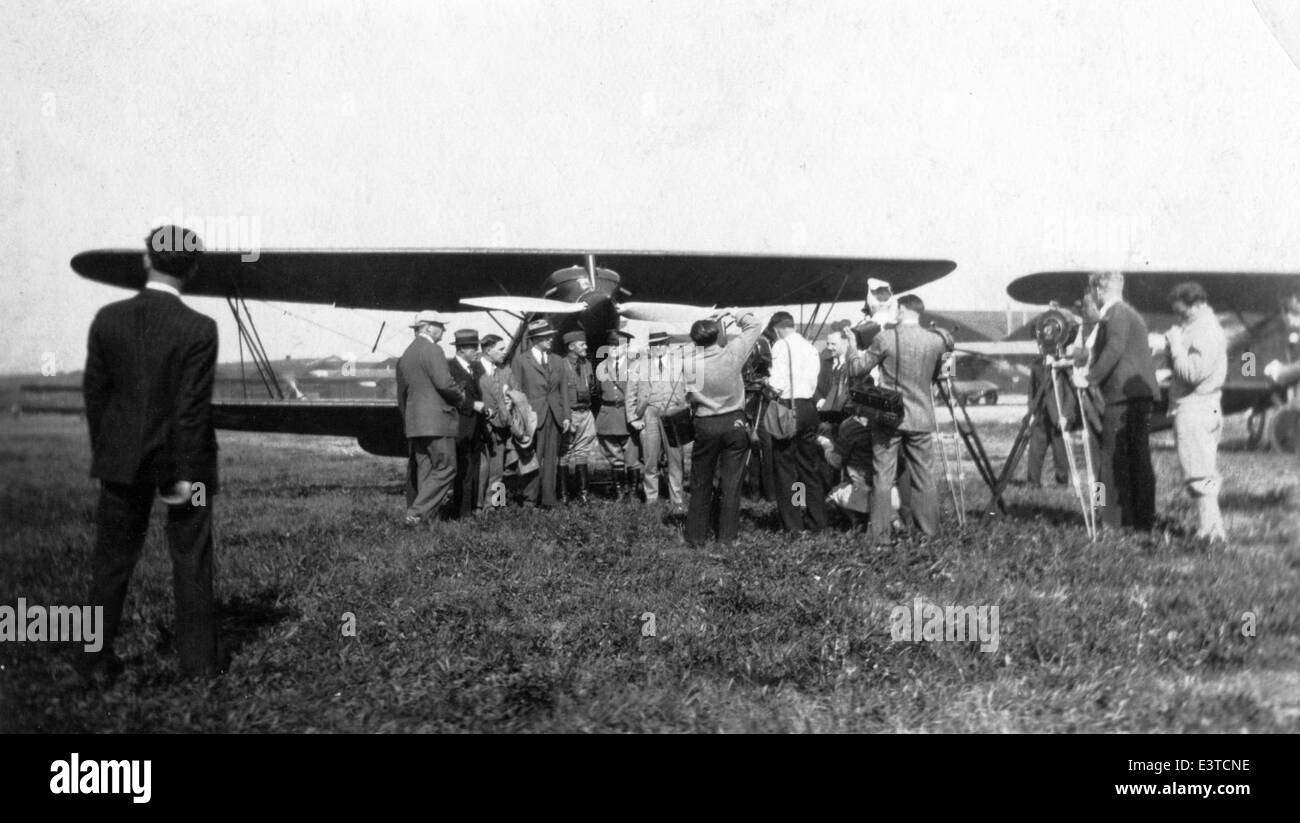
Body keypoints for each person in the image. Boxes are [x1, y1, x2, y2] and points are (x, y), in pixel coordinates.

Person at [82, 225, 219, 682]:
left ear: (146, 260)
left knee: (111, 562)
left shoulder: (107, 318)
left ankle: (95, 659)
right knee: (192, 557)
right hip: (187, 469)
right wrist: (184, 473)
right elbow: (191, 411)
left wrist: (112, 454)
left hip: (120, 464)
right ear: (193, 268)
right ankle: (198, 666)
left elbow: (96, 397)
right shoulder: (199, 328)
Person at [851, 293, 950, 548]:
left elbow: (857, 369)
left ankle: (879, 537)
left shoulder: (885, 338)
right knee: (924, 476)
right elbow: (938, 373)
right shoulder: (934, 341)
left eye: (897, 308)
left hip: (888, 417)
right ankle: (928, 533)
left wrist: (853, 345)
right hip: (921, 416)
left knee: (882, 476)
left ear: (903, 309)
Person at [1072, 271, 1159, 532]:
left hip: (1121, 397)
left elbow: (1114, 349)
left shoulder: (1115, 313)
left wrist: (1089, 377)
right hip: (1135, 396)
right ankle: (1140, 519)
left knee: (1110, 460)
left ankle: (1111, 518)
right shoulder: (1129, 313)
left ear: (1098, 290)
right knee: (1137, 458)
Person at [683, 309, 766, 546]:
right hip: (734, 422)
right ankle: (727, 537)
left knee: (700, 481)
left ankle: (696, 536)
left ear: (695, 340)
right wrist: (734, 313)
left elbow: (687, 396)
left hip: (705, 423)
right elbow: (754, 326)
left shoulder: (689, 364)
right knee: (731, 482)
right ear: (718, 335)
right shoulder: (733, 353)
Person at [398, 311, 481, 526]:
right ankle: (416, 515)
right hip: (437, 421)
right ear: (427, 327)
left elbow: (404, 392)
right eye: (440, 326)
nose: (443, 330)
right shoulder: (433, 350)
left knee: (426, 471)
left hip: (416, 423)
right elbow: (445, 383)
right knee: (446, 468)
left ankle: (425, 520)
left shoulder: (407, 353)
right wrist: (462, 397)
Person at [1164, 281, 1228, 542]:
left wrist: (1177, 345)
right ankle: (1214, 528)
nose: (1180, 317)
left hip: (1195, 408)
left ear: (1198, 304)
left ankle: (1207, 531)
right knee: (1204, 470)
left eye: (1183, 312)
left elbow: (1192, 373)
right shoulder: (1201, 326)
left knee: (1198, 473)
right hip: (1205, 406)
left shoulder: (1204, 331)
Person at [767, 311, 828, 535]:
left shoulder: (781, 346)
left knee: (786, 470)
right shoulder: (810, 347)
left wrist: (766, 383)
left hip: (788, 409)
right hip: (808, 408)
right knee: (808, 467)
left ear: (777, 329)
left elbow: (777, 384)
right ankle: (816, 520)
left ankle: (794, 524)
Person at [511, 319, 571, 507]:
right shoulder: (521, 360)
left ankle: (548, 498)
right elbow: (516, 391)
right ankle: (529, 499)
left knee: (551, 458)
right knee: (530, 458)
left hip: (554, 415)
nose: (551, 340)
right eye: (546, 337)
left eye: (551, 336)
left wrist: (566, 416)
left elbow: (564, 391)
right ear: (536, 339)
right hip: (531, 417)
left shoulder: (558, 360)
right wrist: (521, 418)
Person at [627, 331, 688, 511]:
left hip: (673, 414)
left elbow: (691, 388)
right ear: (650, 347)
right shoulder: (639, 364)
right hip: (650, 413)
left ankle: (677, 500)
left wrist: (685, 410)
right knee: (650, 458)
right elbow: (631, 393)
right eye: (654, 345)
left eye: (662, 344)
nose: (658, 348)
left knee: (676, 459)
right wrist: (633, 419)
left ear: (668, 345)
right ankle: (651, 498)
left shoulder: (680, 363)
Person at [595, 329, 640, 499]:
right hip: (608, 416)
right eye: (611, 345)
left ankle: (634, 491)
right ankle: (620, 491)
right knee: (615, 457)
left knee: (632, 458)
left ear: (627, 347)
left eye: (618, 345)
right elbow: (596, 393)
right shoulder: (601, 366)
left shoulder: (635, 365)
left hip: (627, 416)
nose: (613, 348)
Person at [448, 329, 486, 518]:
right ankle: (462, 512)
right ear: (462, 349)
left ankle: (470, 509)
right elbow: (451, 397)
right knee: (462, 470)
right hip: (460, 427)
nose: (477, 351)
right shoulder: (449, 368)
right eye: (474, 348)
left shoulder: (478, 368)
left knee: (473, 469)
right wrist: (473, 405)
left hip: (477, 428)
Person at [476, 334, 514, 513]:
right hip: (482, 428)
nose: (504, 352)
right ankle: (477, 506)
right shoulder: (475, 371)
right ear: (488, 350)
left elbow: (514, 390)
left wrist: (510, 400)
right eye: (500, 348)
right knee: (482, 470)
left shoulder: (502, 371)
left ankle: (495, 506)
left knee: (498, 470)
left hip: (501, 427)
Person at [559, 330, 598, 503]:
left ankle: (583, 494)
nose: (586, 347)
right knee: (565, 452)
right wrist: (566, 416)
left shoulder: (587, 364)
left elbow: (591, 389)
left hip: (585, 412)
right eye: (582, 344)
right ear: (571, 346)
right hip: (570, 414)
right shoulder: (560, 365)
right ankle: (563, 495)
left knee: (583, 451)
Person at [1025, 358, 1075, 487]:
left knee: (1060, 452)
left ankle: (1062, 483)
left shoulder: (1062, 365)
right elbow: (1032, 390)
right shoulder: (1036, 366)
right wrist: (1031, 411)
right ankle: (1033, 483)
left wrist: (1065, 415)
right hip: (1040, 416)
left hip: (1058, 417)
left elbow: (1070, 393)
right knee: (1035, 450)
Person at [741, 324, 776, 500]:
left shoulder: (752, 344)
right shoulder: (762, 343)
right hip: (761, 401)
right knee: (765, 446)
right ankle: (769, 493)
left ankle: (757, 492)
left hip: (754, 400)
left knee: (755, 446)